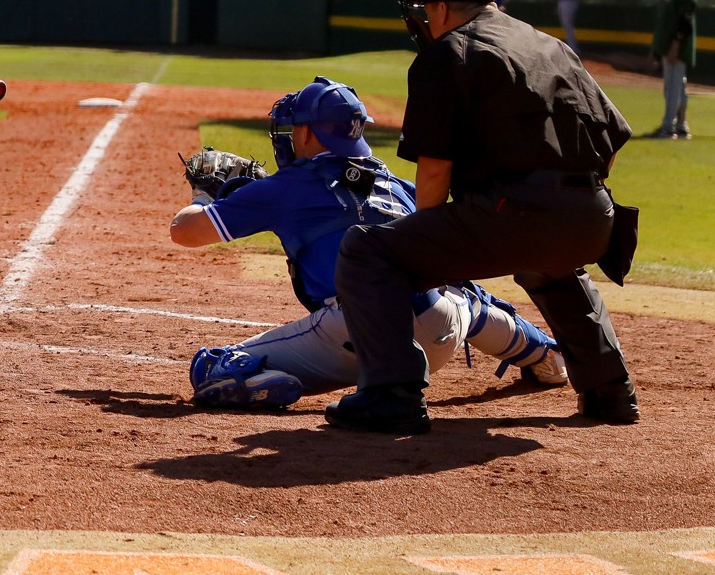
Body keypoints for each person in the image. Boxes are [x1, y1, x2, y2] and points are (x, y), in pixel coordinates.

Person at [327, 0, 636, 435]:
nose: (425, 20)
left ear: (442, 9)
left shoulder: (449, 52)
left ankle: (392, 395)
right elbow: (611, 144)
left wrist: (426, 243)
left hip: (515, 215)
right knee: (550, 262)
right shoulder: (551, 45)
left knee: (366, 249)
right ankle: (611, 393)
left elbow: (434, 172)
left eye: (427, 11)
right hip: (595, 217)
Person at [169, 77, 566, 410]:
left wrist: (206, 195)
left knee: (214, 366)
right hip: (443, 326)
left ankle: (259, 377)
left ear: (306, 132)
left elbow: (185, 231)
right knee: (463, 296)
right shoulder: (396, 185)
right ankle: (545, 354)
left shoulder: (288, 186)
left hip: (360, 334)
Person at [647, 0, 697, 140]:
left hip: (677, 49)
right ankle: (681, 125)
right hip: (667, 46)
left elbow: (686, 22)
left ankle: (668, 128)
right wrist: (656, 49)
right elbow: (663, 22)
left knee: (672, 88)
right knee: (678, 88)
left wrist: (675, 46)